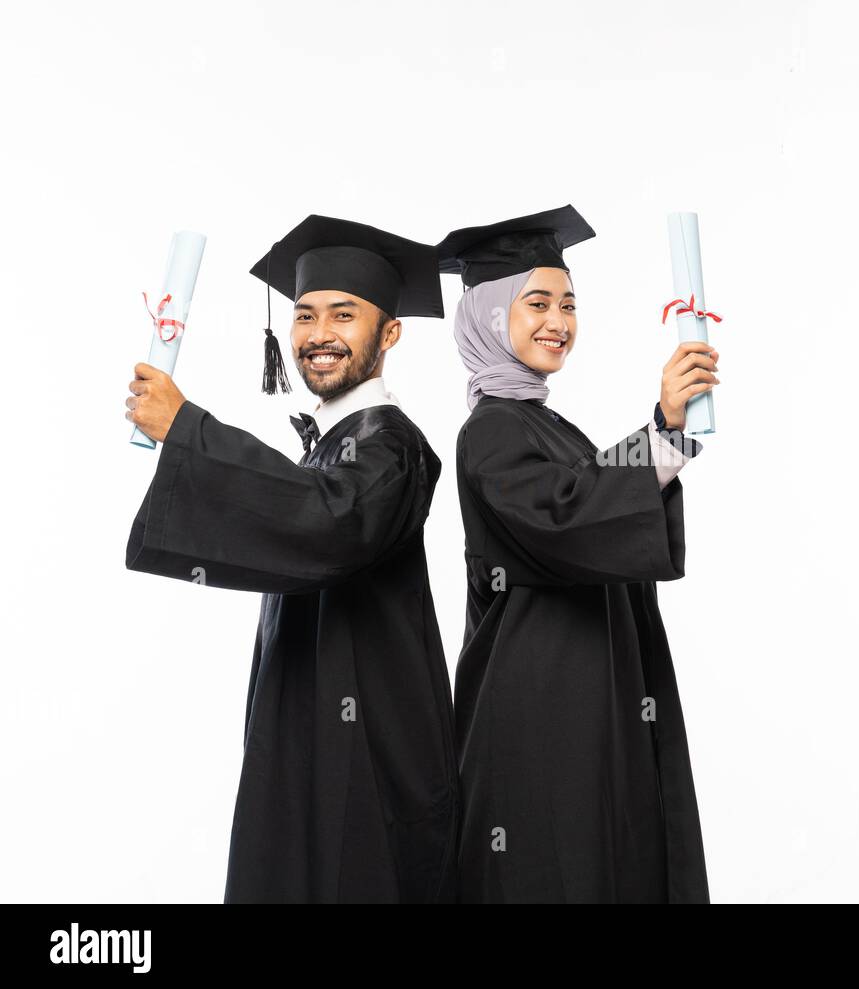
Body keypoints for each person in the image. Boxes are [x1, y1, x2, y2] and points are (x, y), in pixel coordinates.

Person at [123, 215, 458, 902]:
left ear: (389, 333)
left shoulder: (391, 446)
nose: (318, 334)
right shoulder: (331, 446)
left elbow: (328, 519)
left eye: (344, 313)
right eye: (305, 316)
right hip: (306, 744)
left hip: (368, 760)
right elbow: (297, 503)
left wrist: (189, 429)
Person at [437, 205, 714, 902]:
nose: (558, 320)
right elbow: (564, 512)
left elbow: (583, 485)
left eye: (568, 303)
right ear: (489, 315)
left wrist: (666, 434)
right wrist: (661, 431)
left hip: (585, 699)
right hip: (537, 712)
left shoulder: (542, 422)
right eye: (536, 302)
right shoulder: (490, 431)